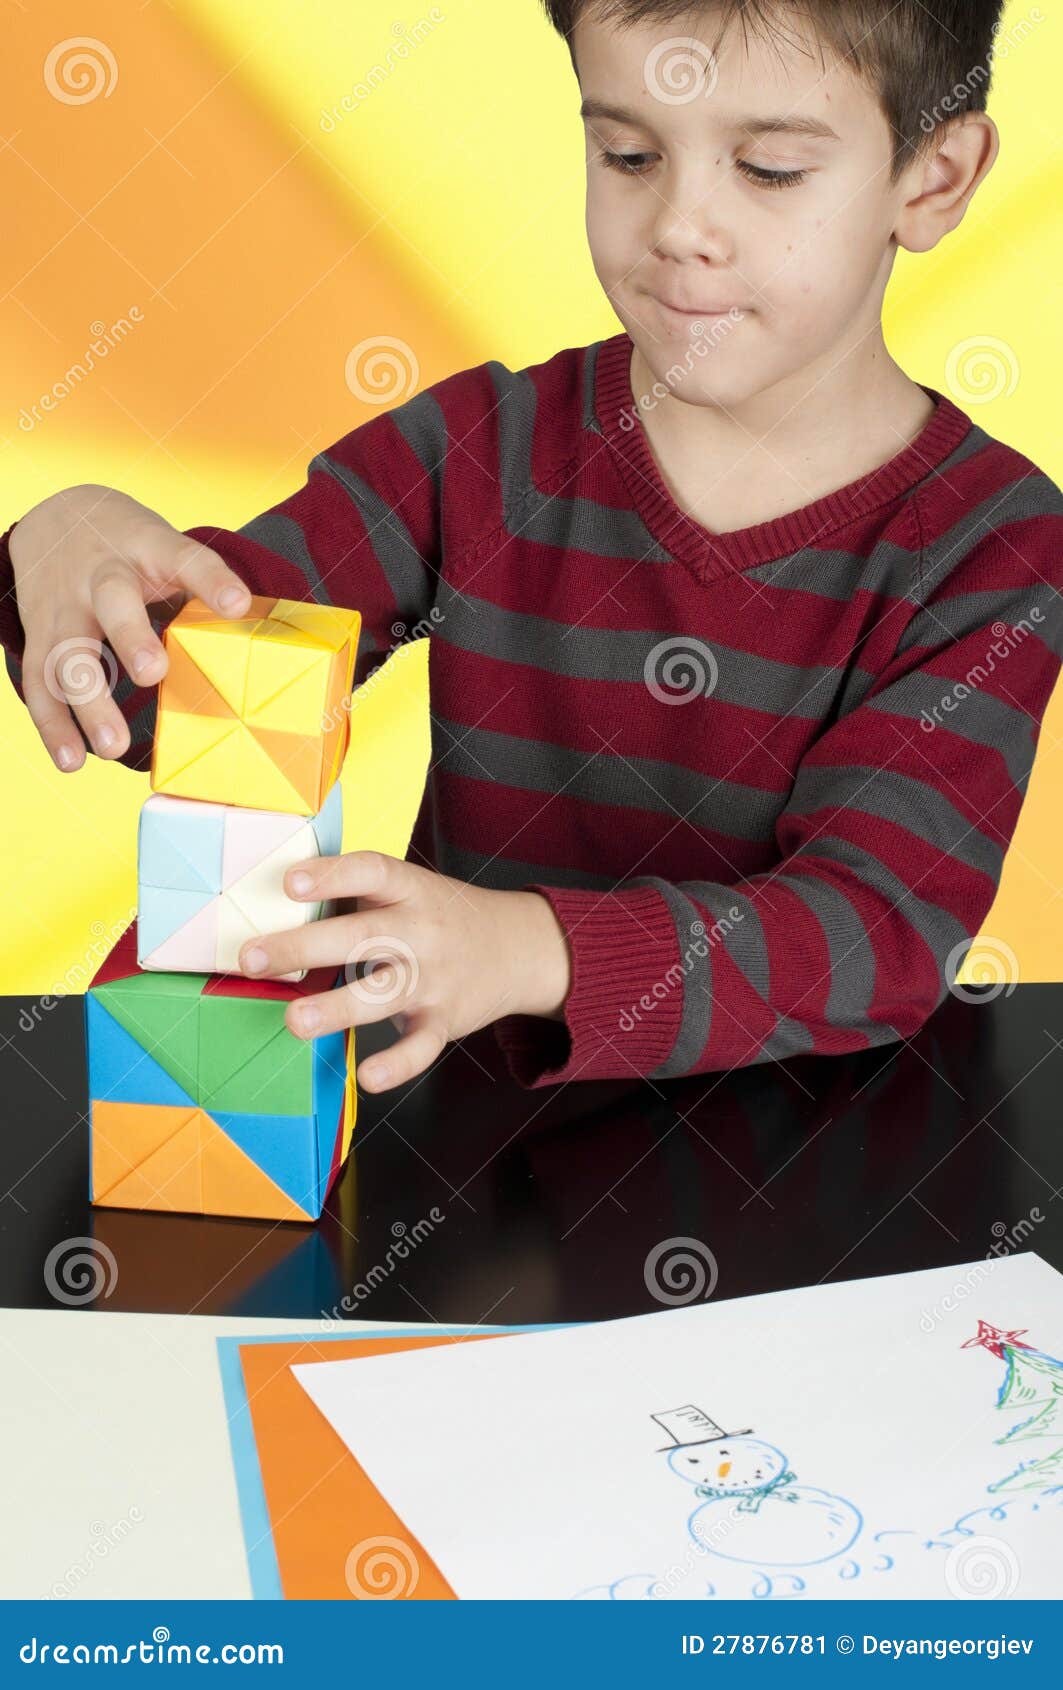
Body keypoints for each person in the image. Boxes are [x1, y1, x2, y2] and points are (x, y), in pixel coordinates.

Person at [1, 0, 1060, 1095]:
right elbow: (185, 691)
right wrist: (70, 547)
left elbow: (870, 935)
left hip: (816, 1173)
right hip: (456, 1163)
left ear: (933, 177)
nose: (678, 224)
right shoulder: (475, 450)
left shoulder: (994, 547)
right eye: (630, 153)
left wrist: (522, 950)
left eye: (771, 170)